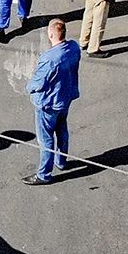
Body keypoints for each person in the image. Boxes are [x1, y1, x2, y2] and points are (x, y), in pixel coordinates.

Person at [24, 19, 81, 186]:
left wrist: (29, 87)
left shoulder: (49, 58)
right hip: (65, 98)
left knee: (46, 139)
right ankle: (61, 161)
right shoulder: (74, 47)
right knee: (62, 130)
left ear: (50, 34)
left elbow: (38, 83)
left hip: (48, 104)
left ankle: (44, 174)